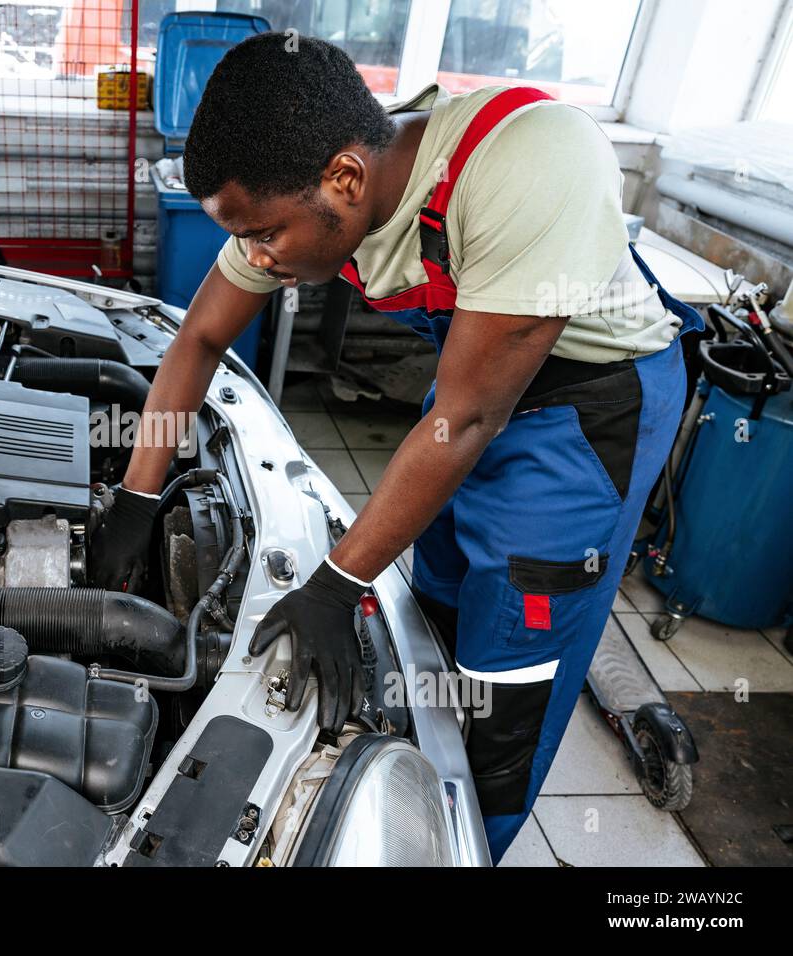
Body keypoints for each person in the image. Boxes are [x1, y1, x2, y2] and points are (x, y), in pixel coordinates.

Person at [88, 32, 703, 862]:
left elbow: (468, 421)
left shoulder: (527, 162)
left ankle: (470, 840)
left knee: (505, 679)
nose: (258, 257)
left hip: (586, 412)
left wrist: (335, 582)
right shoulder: (307, 181)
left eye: (265, 234)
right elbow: (197, 338)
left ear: (346, 178)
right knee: (437, 608)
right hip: (472, 391)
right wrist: (136, 494)